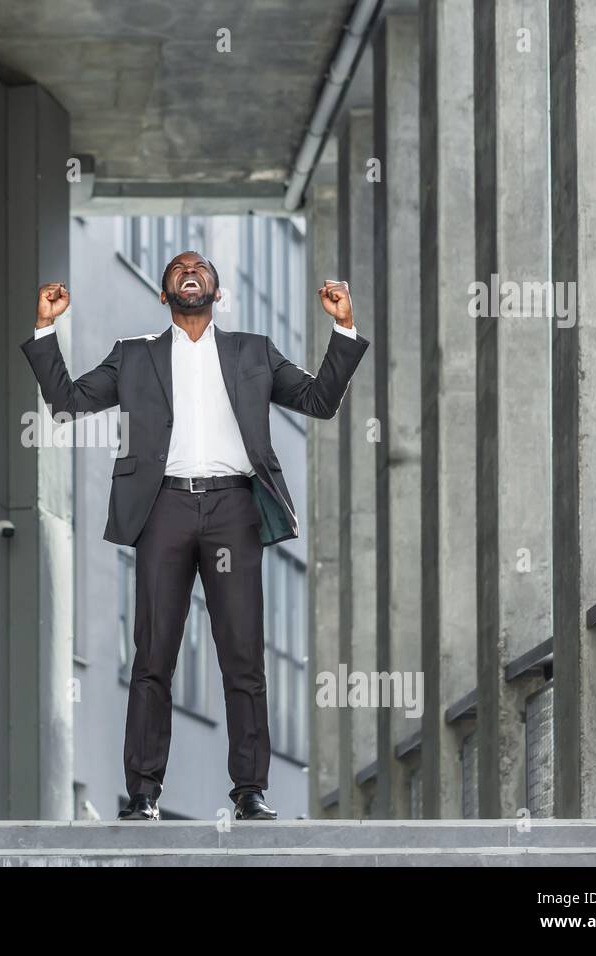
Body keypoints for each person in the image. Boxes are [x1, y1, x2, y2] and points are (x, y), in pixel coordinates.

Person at [20, 250, 369, 820]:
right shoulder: (133, 357)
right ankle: (143, 793)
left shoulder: (253, 351)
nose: (191, 272)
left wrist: (343, 327)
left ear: (217, 290)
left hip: (234, 509)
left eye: (201, 267)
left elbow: (319, 401)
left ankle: (250, 791)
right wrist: (45, 327)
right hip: (163, 510)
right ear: (164, 294)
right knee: (152, 656)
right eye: (179, 268)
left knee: (243, 655)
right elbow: (66, 403)